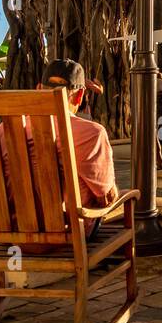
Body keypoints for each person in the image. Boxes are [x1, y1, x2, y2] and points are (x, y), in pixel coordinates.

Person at [14, 59, 118, 240]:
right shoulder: (91, 134)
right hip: (68, 236)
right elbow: (106, 198)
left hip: (14, 234)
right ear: (80, 96)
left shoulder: (6, 129)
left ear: (39, 89)